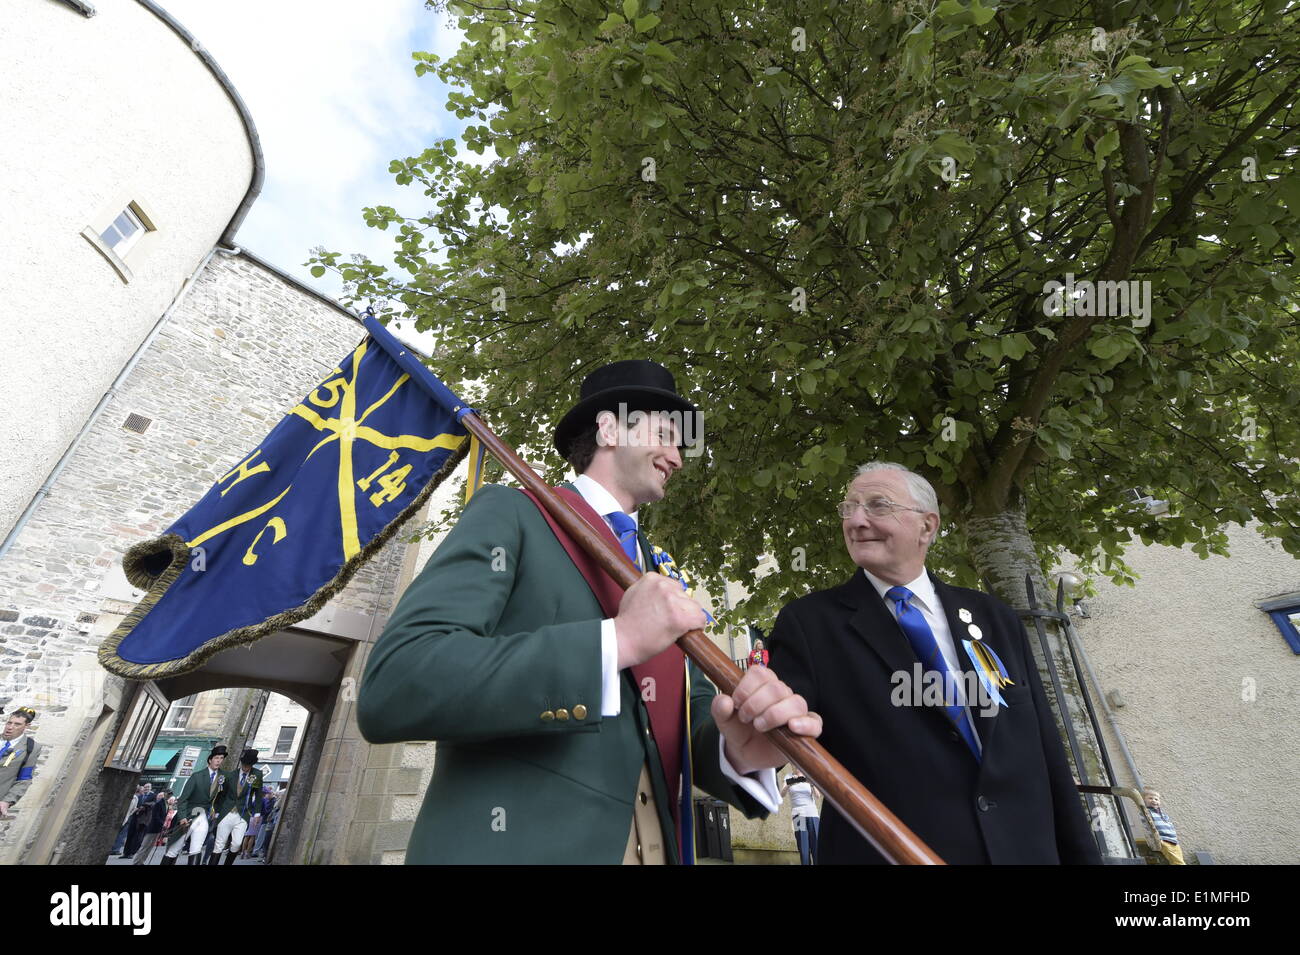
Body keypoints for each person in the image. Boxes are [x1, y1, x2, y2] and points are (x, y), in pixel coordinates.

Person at [359, 359, 821, 863]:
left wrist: (739, 750)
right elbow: (396, 683)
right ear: (608, 428)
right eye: (666, 434)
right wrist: (616, 642)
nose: (678, 458)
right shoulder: (513, 515)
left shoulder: (660, 571)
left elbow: (682, 725)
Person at [768, 462, 1100, 864]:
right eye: (848, 507)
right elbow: (784, 734)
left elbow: (1046, 753)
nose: (856, 520)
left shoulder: (993, 617)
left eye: (877, 505)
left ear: (927, 526)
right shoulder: (809, 623)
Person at [162, 745, 227, 865]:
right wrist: (182, 817)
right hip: (189, 816)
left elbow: (222, 798)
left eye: (221, 758)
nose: (219, 760)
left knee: (196, 850)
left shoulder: (223, 777)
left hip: (204, 818)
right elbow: (183, 799)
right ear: (210, 760)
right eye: (216, 758)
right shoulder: (196, 776)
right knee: (173, 850)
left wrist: (216, 811)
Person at [210, 749, 262, 865]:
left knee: (237, 844)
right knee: (219, 844)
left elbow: (258, 795)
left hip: (243, 814)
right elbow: (221, 795)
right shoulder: (230, 776)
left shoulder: (257, 775)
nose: (246, 767)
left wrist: (257, 813)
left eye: (248, 765)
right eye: (244, 765)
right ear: (241, 763)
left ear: (252, 765)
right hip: (226, 813)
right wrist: (216, 811)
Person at [0, 706, 42, 821]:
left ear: (26, 726)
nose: (10, 727)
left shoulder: (31, 748)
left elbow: (24, 779)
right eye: (9, 723)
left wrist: (7, 801)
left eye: (17, 724)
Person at [780, 772, 820, 865]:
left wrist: (811, 784)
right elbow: (782, 794)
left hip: (812, 814)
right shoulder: (788, 776)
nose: (796, 766)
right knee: (803, 848)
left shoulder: (809, 775)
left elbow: (818, 796)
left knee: (816, 847)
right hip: (798, 816)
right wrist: (789, 785)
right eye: (794, 764)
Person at [1143, 788, 1185, 865]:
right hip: (1163, 840)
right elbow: (1146, 825)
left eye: (1156, 799)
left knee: (1179, 859)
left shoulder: (1163, 814)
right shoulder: (1147, 812)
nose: (1154, 800)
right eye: (1150, 798)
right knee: (1177, 862)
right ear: (1144, 800)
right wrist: (1157, 840)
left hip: (1173, 841)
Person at [132, 790, 173, 865]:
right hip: (152, 828)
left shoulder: (166, 803)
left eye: (170, 794)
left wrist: (162, 825)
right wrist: (162, 824)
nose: (169, 795)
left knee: (150, 847)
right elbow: (155, 816)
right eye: (167, 794)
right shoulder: (158, 803)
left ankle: (141, 862)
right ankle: (136, 862)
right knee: (144, 846)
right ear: (164, 794)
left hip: (158, 829)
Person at [121, 782, 155, 858]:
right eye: (145, 787)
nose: (146, 788)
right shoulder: (140, 796)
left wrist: (144, 806)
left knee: (137, 837)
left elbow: (153, 804)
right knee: (130, 835)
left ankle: (133, 853)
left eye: (148, 787)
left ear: (151, 788)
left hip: (143, 820)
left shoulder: (153, 796)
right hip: (135, 817)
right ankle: (126, 853)